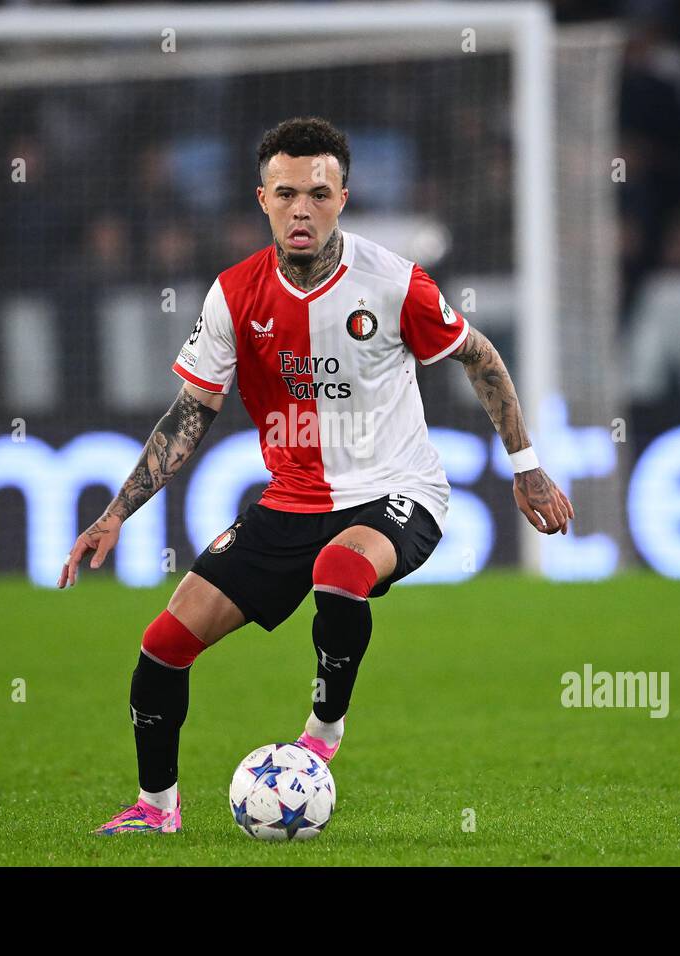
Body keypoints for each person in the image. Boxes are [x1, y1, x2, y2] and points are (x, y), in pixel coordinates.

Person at [58, 117, 573, 835]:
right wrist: (116, 512)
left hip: (400, 492)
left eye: (320, 194)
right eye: (287, 193)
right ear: (262, 199)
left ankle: (323, 730)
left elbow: (480, 356)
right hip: (290, 504)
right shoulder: (234, 296)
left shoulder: (394, 283)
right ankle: (156, 808)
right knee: (161, 646)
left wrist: (528, 467)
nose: (303, 208)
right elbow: (190, 414)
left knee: (339, 569)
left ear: (344, 198)